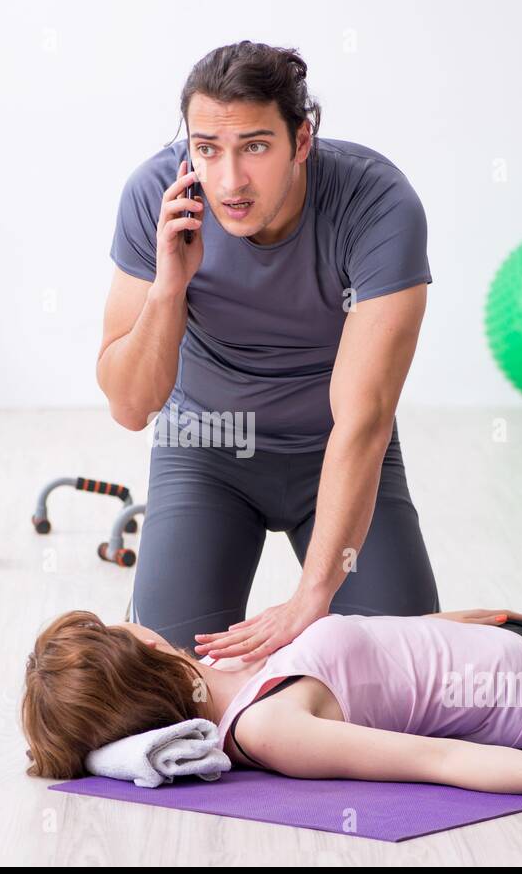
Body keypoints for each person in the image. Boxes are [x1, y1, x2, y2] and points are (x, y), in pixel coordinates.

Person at [98, 41, 438, 662]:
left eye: (255, 146)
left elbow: (363, 416)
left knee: (405, 673)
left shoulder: (378, 203)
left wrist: (312, 597)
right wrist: (169, 287)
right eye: (208, 149)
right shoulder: (156, 193)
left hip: (334, 449)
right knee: (167, 686)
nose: (229, 181)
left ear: (301, 140)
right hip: (205, 452)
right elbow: (129, 406)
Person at [21, 607, 522, 813]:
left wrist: (457, 620)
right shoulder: (270, 727)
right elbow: (442, 762)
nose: (128, 614)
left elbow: (380, 647)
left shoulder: (231, 664)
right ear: (140, 659)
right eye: (112, 624)